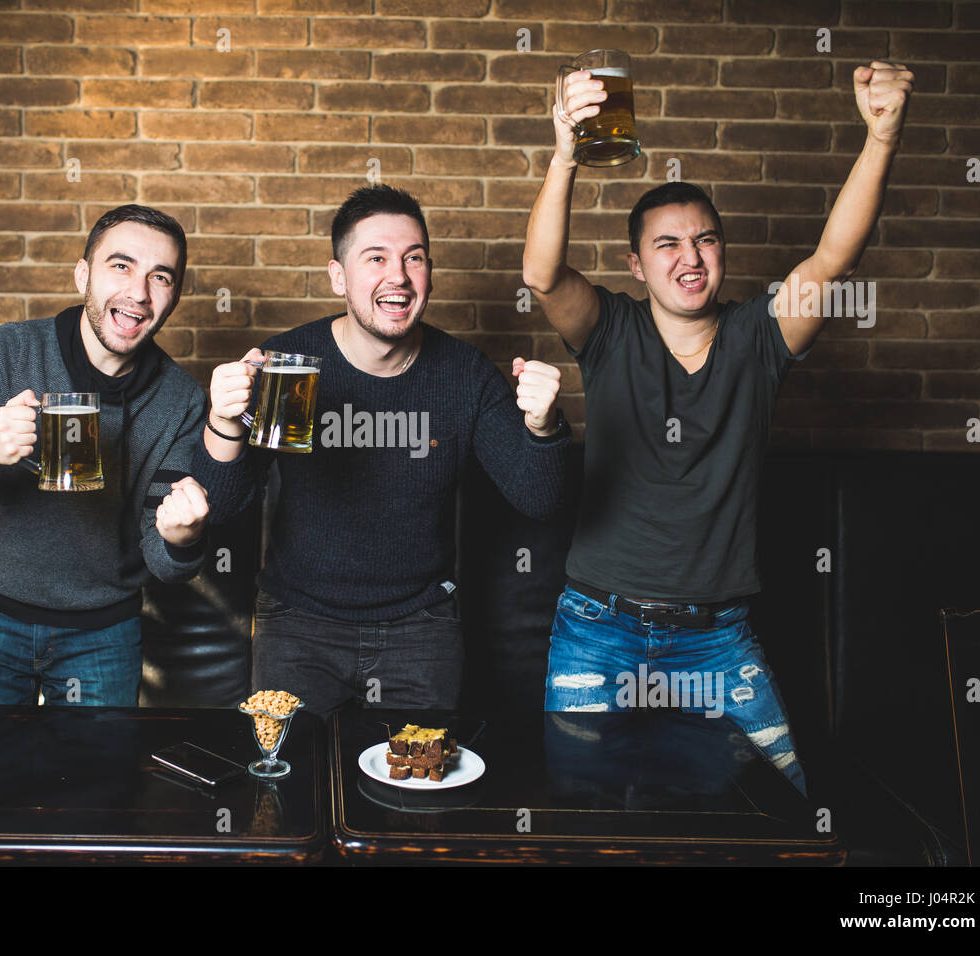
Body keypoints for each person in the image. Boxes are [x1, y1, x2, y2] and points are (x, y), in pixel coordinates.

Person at [524, 61, 914, 794]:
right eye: (667, 244)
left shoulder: (759, 338)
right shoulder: (610, 333)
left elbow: (833, 258)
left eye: (704, 240)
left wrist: (882, 138)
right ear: (636, 265)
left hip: (716, 641)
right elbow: (543, 275)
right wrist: (565, 153)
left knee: (782, 817)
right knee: (585, 829)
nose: (689, 257)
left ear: (722, 254)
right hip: (597, 630)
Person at [192, 184, 571, 717]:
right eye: (376, 258)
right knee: (287, 788)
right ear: (338, 277)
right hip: (298, 627)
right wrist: (225, 421)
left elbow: (541, 500)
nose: (398, 275)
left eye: (413, 258)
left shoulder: (464, 375)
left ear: (429, 273)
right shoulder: (290, 364)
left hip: (421, 630)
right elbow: (223, 506)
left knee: (418, 791)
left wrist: (544, 425)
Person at [0, 204, 210, 706]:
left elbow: (168, 567)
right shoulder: (5, 355)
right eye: (120, 266)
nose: (138, 292)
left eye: (160, 277)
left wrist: (183, 538)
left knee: (98, 784)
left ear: (175, 296)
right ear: (83, 275)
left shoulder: (180, 400)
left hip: (104, 632)